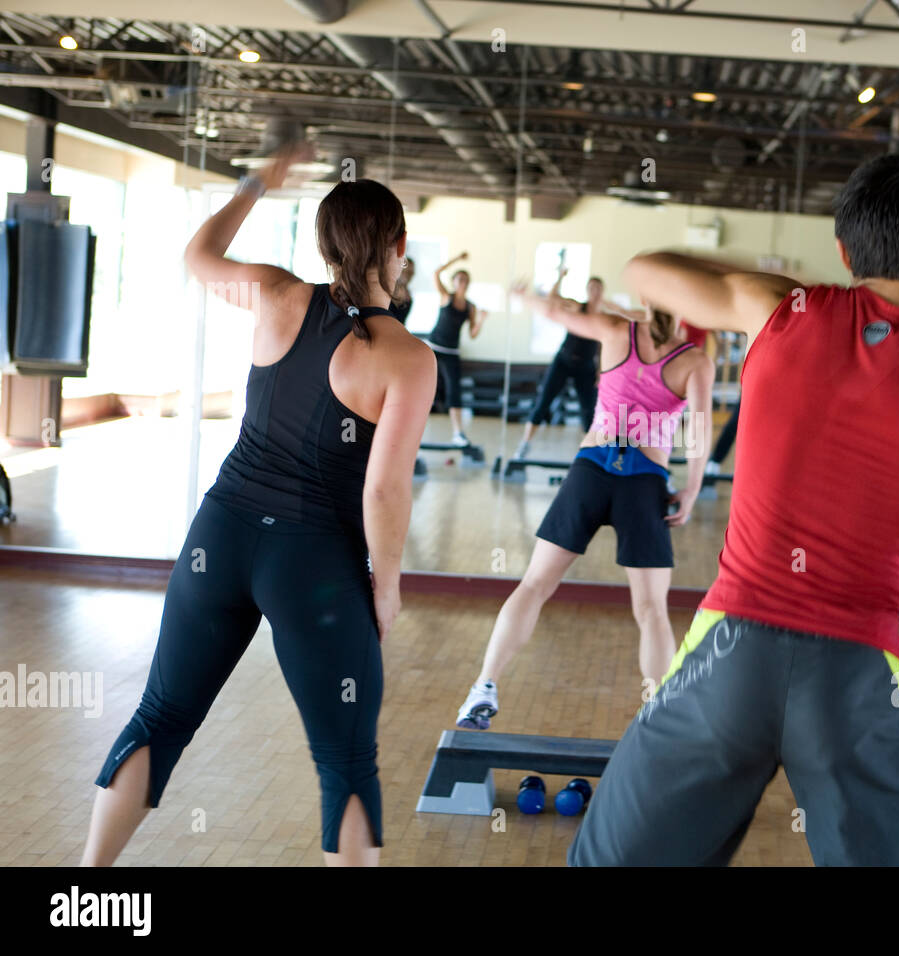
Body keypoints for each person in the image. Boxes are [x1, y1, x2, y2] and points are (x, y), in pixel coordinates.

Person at [567, 154, 899, 867]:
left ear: (841, 248)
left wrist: (763, 276)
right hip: (858, 682)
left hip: (727, 660)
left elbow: (644, 268)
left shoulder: (777, 308)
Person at [81, 150, 438, 867]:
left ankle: (85, 884)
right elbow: (384, 490)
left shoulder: (276, 293)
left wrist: (256, 184)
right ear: (398, 247)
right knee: (345, 761)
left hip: (221, 534)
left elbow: (199, 254)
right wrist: (388, 585)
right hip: (315, 564)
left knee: (161, 716)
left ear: (321, 245)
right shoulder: (407, 357)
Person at [457, 281, 713, 730]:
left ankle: (483, 687)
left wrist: (525, 298)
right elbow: (699, 431)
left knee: (534, 584)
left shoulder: (616, 329)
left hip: (591, 469)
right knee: (651, 608)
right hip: (644, 482)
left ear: (645, 301)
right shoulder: (695, 361)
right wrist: (691, 488)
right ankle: (661, 715)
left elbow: (557, 313)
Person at [514, 276, 605, 460]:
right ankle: (524, 445)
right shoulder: (578, 306)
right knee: (543, 403)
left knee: (589, 411)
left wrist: (601, 370)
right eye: (591, 288)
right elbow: (553, 298)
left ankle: (591, 454)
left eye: (598, 288)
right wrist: (561, 277)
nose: (594, 292)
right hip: (564, 361)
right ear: (587, 290)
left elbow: (603, 346)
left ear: (602, 292)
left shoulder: (602, 317)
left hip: (586, 367)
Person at [431, 252, 488, 447]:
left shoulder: (470, 307)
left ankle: (458, 433)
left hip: (451, 353)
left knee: (454, 391)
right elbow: (436, 273)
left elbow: (472, 334)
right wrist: (457, 258)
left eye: (465, 280)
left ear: (468, 283)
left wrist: (480, 320)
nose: (462, 282)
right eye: (459, 279)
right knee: (424, 385)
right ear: (454, 282)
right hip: (433, 348)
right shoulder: (446, 296)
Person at [390, 256, 415, 326]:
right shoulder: (386, 291)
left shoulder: (408, 296)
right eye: (405, 272)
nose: (408, 275)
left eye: (411, 272)